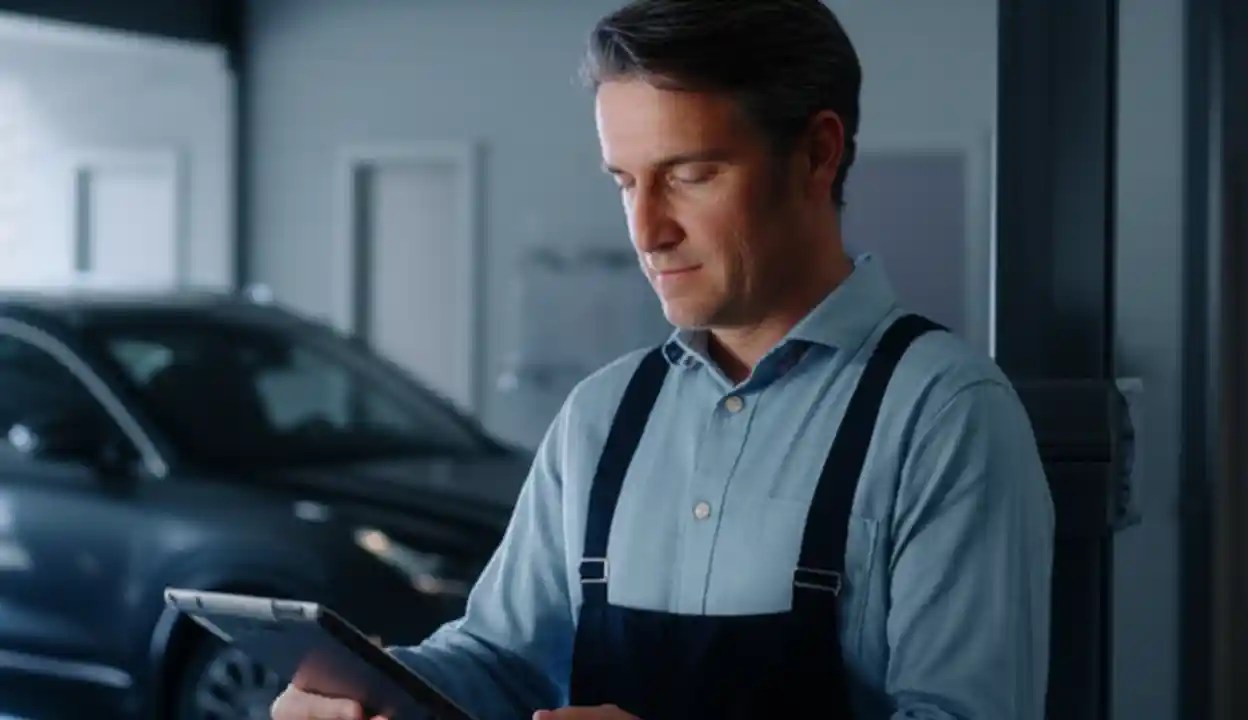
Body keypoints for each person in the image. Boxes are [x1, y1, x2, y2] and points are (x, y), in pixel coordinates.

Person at [272, 1, 1055, 718]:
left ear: (818, 154)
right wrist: (373, 697)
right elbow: (501, 662)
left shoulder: (945, 415)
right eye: (625, 182)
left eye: (688, 175)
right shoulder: (601, 417)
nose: (646, 231)